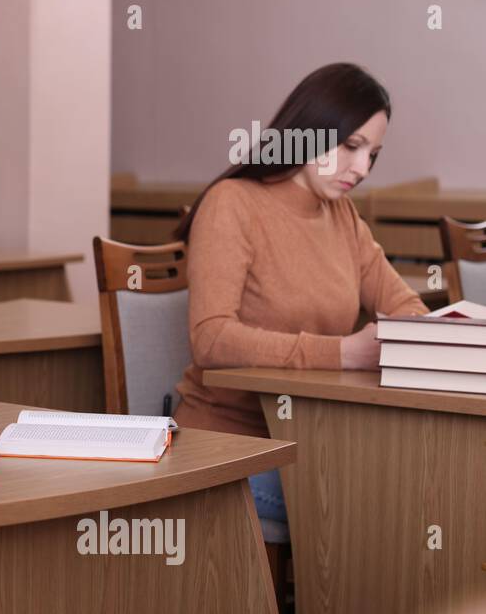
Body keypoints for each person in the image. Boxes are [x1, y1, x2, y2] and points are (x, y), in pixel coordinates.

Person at [173, 62, 428, 532]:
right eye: (352, 146)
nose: (362, 168)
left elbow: (406, 305)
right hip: (229, 446)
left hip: (312, 438)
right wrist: (344, 353)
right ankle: (326, 605)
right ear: (310, 131)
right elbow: (209, 339)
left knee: (415, 485)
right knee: (379, 505)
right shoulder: (233, 203)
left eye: (373, 154)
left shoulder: (342, 215)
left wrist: (414, 332)